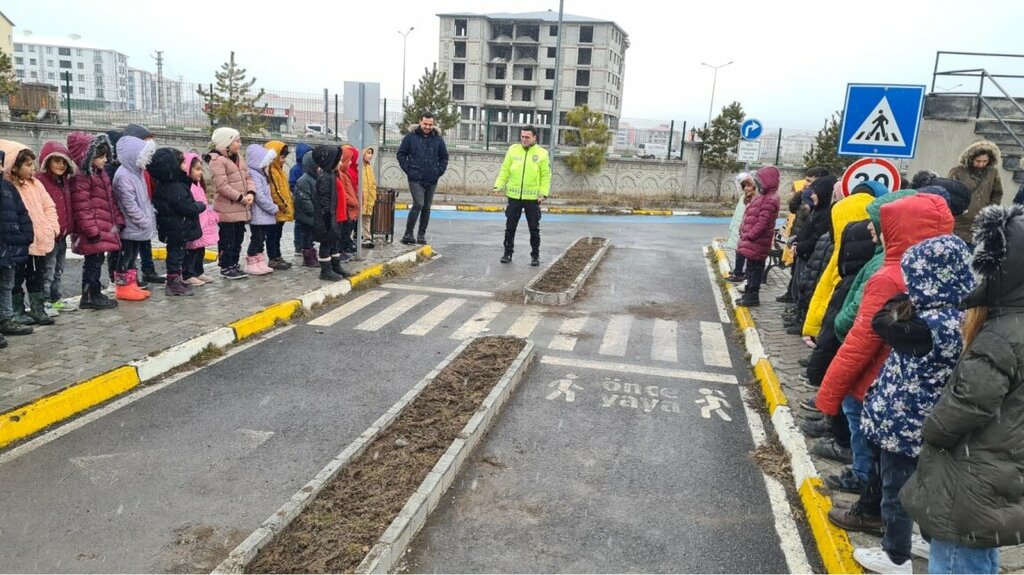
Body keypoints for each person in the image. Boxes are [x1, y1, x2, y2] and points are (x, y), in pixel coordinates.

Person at [902, 204, 1024, 575]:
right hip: (1000, 464)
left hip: (971, 474)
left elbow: (971, 400)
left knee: (955, 556)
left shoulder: (1002, 334)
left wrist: (933, 428)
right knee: (978, 551)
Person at [815, 194, 953, 496]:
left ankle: (861, 477)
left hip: (873, 378)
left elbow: (862, 341)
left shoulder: (889, 277)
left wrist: (829, 393)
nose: (869, 229)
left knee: (859, 420)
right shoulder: (942, 274)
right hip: (910, 383)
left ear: (899, 230)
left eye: (881, 225)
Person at [853, 235, 974, 574]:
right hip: (936, 425)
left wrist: (909, 296)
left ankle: (896, 557)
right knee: (927, 488)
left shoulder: (924, 326)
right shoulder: (963, 317)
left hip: (903, 428)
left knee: (898, 493)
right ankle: (924, 540)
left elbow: (880, 321)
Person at [0, 142, 59, 326]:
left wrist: (51, 228)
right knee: (16, 280)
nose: (32, 168)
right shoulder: (10, 187)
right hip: (20, 243)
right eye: (27, 164)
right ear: (14, 166)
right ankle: (17, 311)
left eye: (33, 164)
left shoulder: (37, 185)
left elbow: (49, 206)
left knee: (37, 277)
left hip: (39, 240)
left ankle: (37, 309)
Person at [67, 132, 120, 310]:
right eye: (100, 156)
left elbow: (109, 201)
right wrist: (91, 230)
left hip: (101, 227)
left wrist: (116, 221)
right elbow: (82, 207)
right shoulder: (82, 177)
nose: (105, 160)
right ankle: (89, 296)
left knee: (96, 262)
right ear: (88, 156)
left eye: (106, 156)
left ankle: (94, 293)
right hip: (92, 231)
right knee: (92, 263)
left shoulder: (99, 174)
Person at [149, 148, 205, 296]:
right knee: (176, 255)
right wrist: (200, 205)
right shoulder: (175, 186)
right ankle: (173, 283)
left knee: (176, 254)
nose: (185, 166)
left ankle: (176, 280)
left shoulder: (167, 183)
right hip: (177, 228)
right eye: (182, 162)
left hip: (173, 227)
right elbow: (185, 207)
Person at [494, 125, 551, 266]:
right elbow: (505, 169)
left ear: (534, 138)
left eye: (527, 137)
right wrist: (498, 185)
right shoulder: (513, 150)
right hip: (514, 196)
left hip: (532, 198)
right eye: (522, 137)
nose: (524, 139)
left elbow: (546, 175)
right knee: (510, 227)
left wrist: (543, 193)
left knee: (534, 228)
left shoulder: (542, 154)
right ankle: (507, 253)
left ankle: (535, 255)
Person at [111, 135, 157, 301]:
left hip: (137, 226)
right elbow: (129, 205)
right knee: (125, 256)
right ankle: (123, 287)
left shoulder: (137, 173)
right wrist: (144, 221)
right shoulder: (124, 176)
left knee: (132, 256)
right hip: (130, 226)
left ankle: (131, 285)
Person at [35, 141, 78, 315]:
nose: (60, 165)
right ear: (47, 162)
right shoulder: (40, 181)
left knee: (59, 268)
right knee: (48, 269)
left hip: (61, 234)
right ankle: (44, 301)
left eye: (63, 162)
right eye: (56, 161)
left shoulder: (64, 181)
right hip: (49, 234)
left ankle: (55, 298)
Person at [207, 127, 255, 280]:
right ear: (226, 143)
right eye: (236, 141)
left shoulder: (239, 158)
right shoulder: (217, 161)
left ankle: (234, 263)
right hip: (228, 209)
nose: (239, 144)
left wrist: (251, 193)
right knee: (228, 239)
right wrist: (241, 198)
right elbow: (222, 187)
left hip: (241, 208)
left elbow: (248, 177)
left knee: (238, 238)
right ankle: (226, 265)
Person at [123, 123, 165, 285]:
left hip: (146, 208)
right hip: (134, 214)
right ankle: (129, 278)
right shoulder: (129, 168)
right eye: (146, 139)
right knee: (130, 250)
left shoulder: (145, 165)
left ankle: (148, 270)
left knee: (145, 243)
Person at [397, 111, 448, 245]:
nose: (427, 127)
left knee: (427, 207)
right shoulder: (410, 137)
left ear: (433, 124)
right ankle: (408, 234)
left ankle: (421, 235)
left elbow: (444, 157)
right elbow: (401, 154)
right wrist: (409, 170)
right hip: (415, 178)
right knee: (419, 203)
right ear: (420, 122)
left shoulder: (438, 139)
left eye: (430, 124)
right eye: (425, 124)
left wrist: (438, 171)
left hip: (432, 178)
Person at [734, 166, 781, 307]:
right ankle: (749, 294)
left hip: (757, 241)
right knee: (751, 268)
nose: (758, 183)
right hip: (753, 241)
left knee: (755, 270)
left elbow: (763, 223)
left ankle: (752, 297)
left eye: (760, 180)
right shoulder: (764, 196)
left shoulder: (770, 199)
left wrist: (749, 235)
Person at [0, 148, 34, 342]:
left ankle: (6, 318)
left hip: (9, 248)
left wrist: (26, 235)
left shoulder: (7, 188)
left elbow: (22, 213)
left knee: (6, 285)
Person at [948, 139, 1004, 243]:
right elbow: (949, 193)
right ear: (970, 158)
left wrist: (990, 209)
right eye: (978, 161)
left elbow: (997, 193)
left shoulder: (992, 172)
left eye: (985, 161)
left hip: (981, 221)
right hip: (960, 222)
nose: (981, 164)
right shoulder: (958, 171)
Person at [311, 144, 351, 281]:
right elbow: (324, 200)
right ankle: (325, 270)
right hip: (328, 218)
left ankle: (336, 266)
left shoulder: (334, 175)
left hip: (338, 216)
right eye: (338, 160)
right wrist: (327, 219)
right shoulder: (325, 178)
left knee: (335, 244)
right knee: (326, 244)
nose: (340, 163)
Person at [182, 152, 218, 286]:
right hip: (194, 224)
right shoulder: (187, 186)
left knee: (199, 250)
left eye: (201, 169)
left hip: (202, 224)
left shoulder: (198, 186)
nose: (200, 173)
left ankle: (198, 271)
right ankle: (188, 274)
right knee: (191, 250)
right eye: (197, 169)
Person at [244, 144, 279, 276]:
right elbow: (260, 197)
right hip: (259, 215)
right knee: (257, 238)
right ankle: (251, 261)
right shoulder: (254, 175)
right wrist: (273, 208)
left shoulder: (261, 175)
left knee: (261, 238)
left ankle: (259, 262)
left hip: (263, 215)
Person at [264, 140, 293, 270]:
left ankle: (278, 256)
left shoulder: (280, 170)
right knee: (272, 235)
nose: (284, 160)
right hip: (276, 210)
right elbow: (275, 191)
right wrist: (284, 206)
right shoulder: (271, 170)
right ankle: (273, 258)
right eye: (282, 157)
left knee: (278, 234)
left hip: (281, 210)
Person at [724, 172, 756, 282]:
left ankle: (739, 273)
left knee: (742, 251)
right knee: (739, 251)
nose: (746, 188)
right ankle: (738, 271)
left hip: (746, 230)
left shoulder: (754, 199)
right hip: (740, 228)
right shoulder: (744, 198)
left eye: (749, 185)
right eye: (744, 186)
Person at [292, 148, 319, 267]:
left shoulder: (314, 178)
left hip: (312, 215)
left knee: (310, 236)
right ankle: (308, 257)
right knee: (306, 237)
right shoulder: (304, 180)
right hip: (306, 216)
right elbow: (304, 200)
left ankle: (311, 254)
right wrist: (314, 210)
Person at [289, 143, 312, 255]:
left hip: (308, 199)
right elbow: (292, 184)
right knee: (299, 224)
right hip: (299, 200)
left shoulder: (310, 167)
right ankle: (298, 245)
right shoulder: (295, 169)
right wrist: (298, 193)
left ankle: (307, 245)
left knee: (308, 225)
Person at [361, 146, 377, 249]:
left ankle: (367, 237)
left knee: (366, 219)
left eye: (371, 153)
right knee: (356, 220)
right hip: (361, 198)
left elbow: (372, 184)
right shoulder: (359, 166)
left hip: (368, 198)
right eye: (368, 153)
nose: (370, 155)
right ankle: (354, 237)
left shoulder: (369, 167)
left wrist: (373, 196)